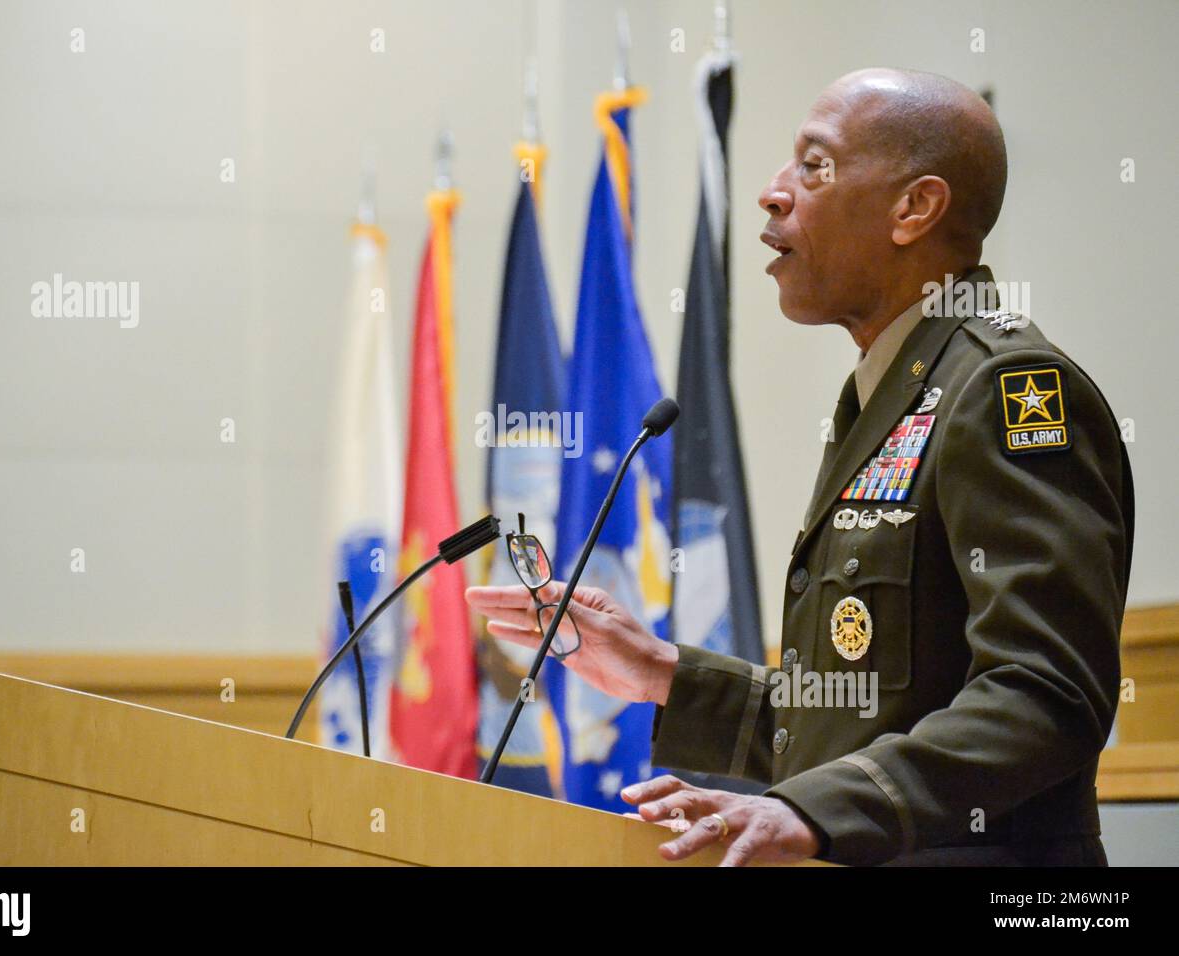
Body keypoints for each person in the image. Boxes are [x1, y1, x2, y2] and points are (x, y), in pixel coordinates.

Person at [466, 68, 1134, 867]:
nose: (773, 193)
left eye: (814, 166)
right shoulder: (894, 391)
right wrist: (664, 673)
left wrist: (811, 810)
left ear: (913, 208)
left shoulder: (1005, 390)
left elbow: (1046, 696)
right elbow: (859, 713)